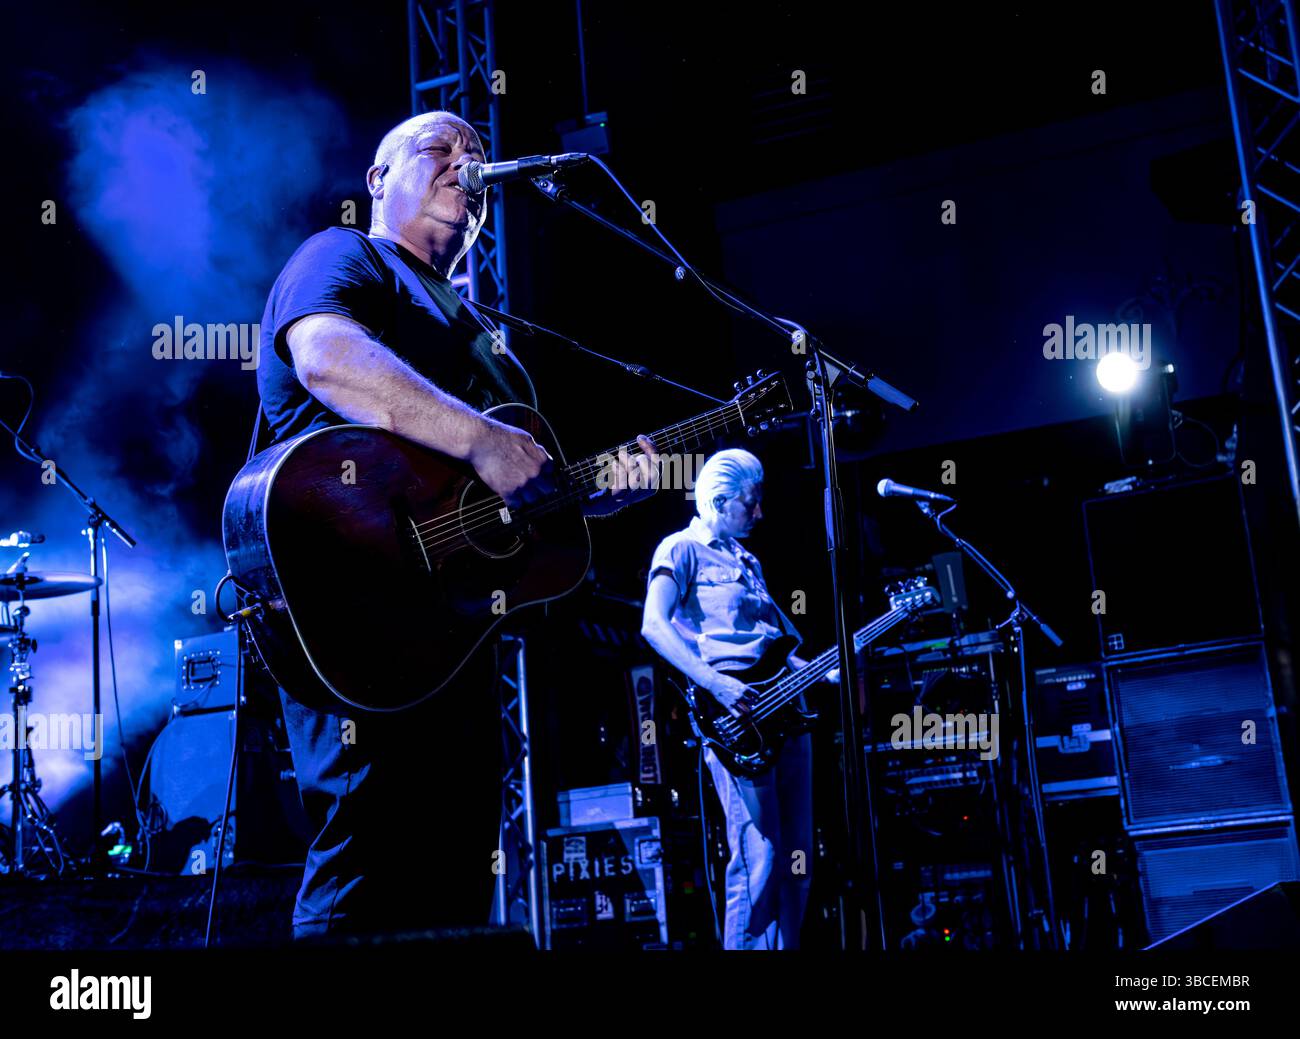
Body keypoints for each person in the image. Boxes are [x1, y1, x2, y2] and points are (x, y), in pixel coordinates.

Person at [255, 110, 657, 939]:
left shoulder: (487, 341)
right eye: (442, 149)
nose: (467, 165)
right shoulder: (345, 256)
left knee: (454, 879)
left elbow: (492, 502)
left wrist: (589, 493)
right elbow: (326, 355)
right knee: (366, 864)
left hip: (457, 641)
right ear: (377, 179)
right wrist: (480, 436)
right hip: (354, 602)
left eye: (477, 154)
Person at [640, 449, 825, 950]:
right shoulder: (680, 549)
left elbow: (778, 643)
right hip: (736, 719)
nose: (760, 513)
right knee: (758, 855)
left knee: (798, 857)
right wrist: (715, 684)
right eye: (751, 502)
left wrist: (817, 669)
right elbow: (653, 625)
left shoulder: (749, 560)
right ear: (720, 501)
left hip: (784, 713)